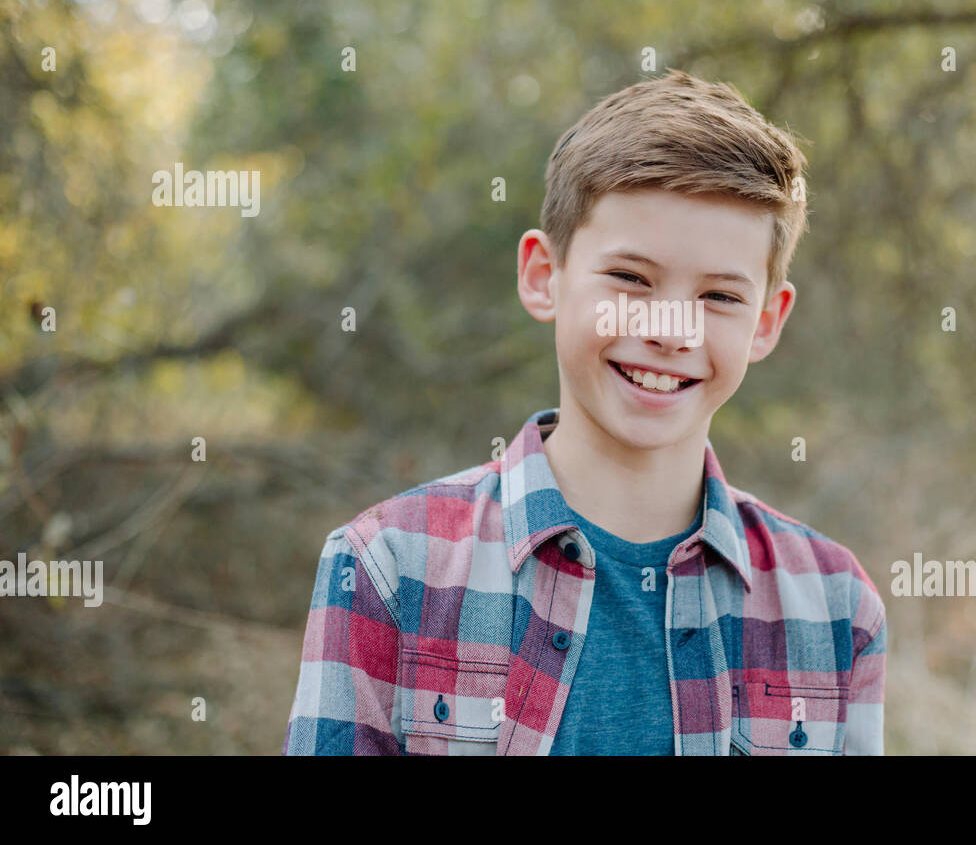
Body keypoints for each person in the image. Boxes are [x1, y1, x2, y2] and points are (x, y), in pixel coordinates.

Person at [282, 68, 886, 755]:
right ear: (544, 276)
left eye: (720, 297)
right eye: (630, 279)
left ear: (768, 322)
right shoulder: (388, 568)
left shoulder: (837, 609)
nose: (670, 330)